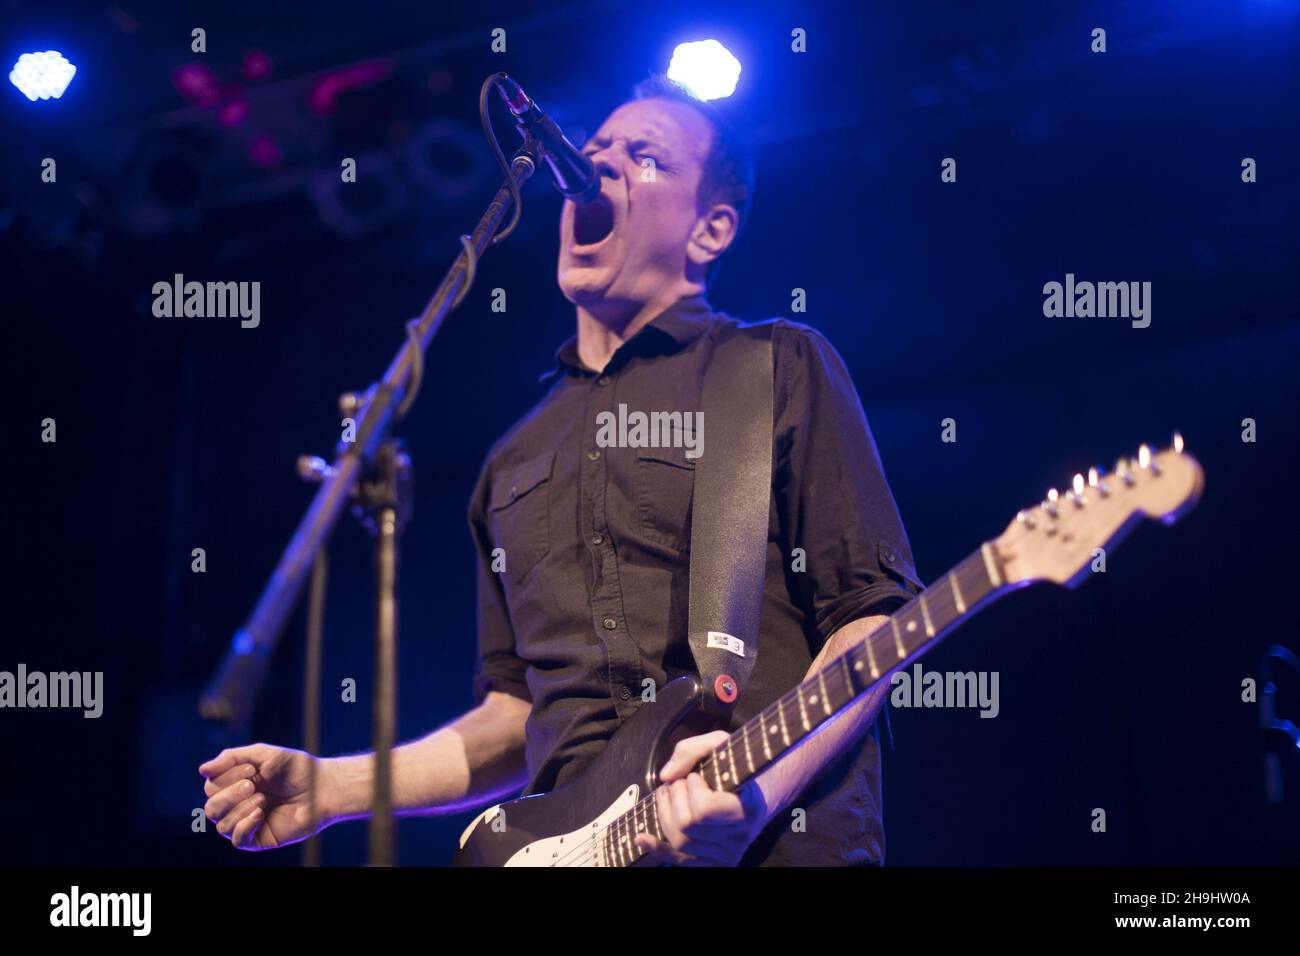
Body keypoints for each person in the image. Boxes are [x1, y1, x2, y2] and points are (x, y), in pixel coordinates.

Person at [200, 76, 921, 866]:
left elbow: (872, 619)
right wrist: (336, 788)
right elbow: (513, 716)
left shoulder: (776, 366)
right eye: (594, 149)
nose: (599, 164)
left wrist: (756, 794)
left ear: (710, 230)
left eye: (644, 157)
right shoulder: (513, 457)